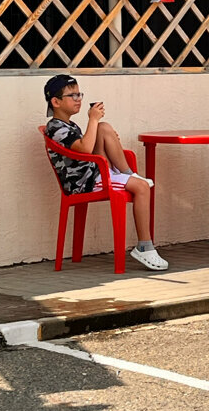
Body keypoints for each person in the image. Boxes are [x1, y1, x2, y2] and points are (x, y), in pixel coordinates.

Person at [43, 73, 168, 271]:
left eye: (79, 94)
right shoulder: (55, 127)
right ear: (56, 101)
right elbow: (84, 149)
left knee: (104, 127)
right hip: (85, 183)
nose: (79, 99)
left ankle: (128, 173)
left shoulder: (69, 125)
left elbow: (86, 148)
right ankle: (144, 247)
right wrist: (92, 120)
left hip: (94, 173)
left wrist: (105, 135)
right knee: (142, 187)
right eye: (72, 96)